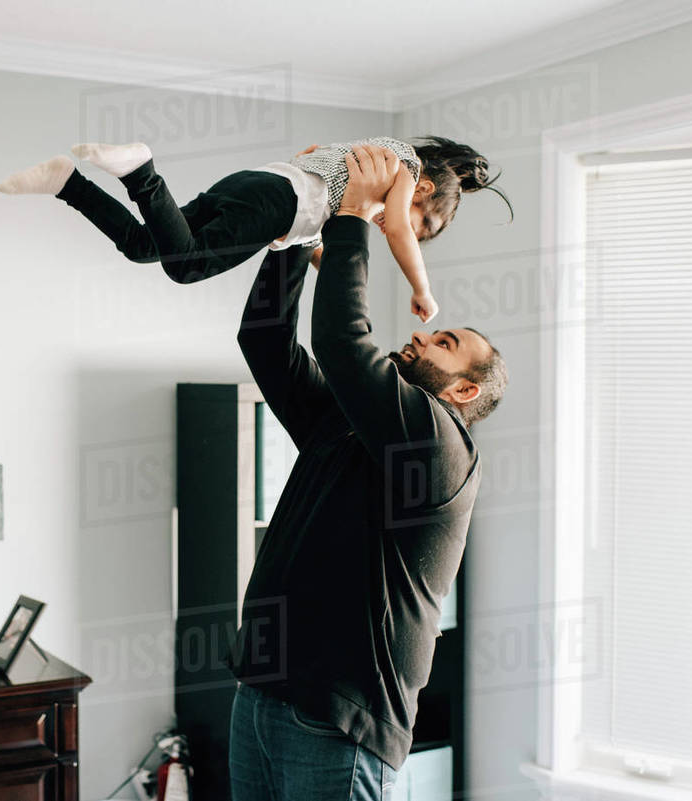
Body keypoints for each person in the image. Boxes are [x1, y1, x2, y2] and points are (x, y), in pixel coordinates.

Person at [225, 145, 508, 801]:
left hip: (338, 724)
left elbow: (344, 345)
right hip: (263, 695)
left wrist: (350, 215)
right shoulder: (348, 426)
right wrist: (298, 234)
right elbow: (264, 341)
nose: (424, 337)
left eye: (447, 344)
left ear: (465, 392)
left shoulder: (443, 447)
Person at [0, 137, 511, 323]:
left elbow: (316, 234)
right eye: (425, 225)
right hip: (277, 200)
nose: (396, 227)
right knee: (189, 265)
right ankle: (140, 172)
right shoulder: (401, 169)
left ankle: (67, 182)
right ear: (423, 192)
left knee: (143, 247)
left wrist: (323, 262)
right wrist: (422, 289)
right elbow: (398, 228)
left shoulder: (364, 172)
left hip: (258, 183)